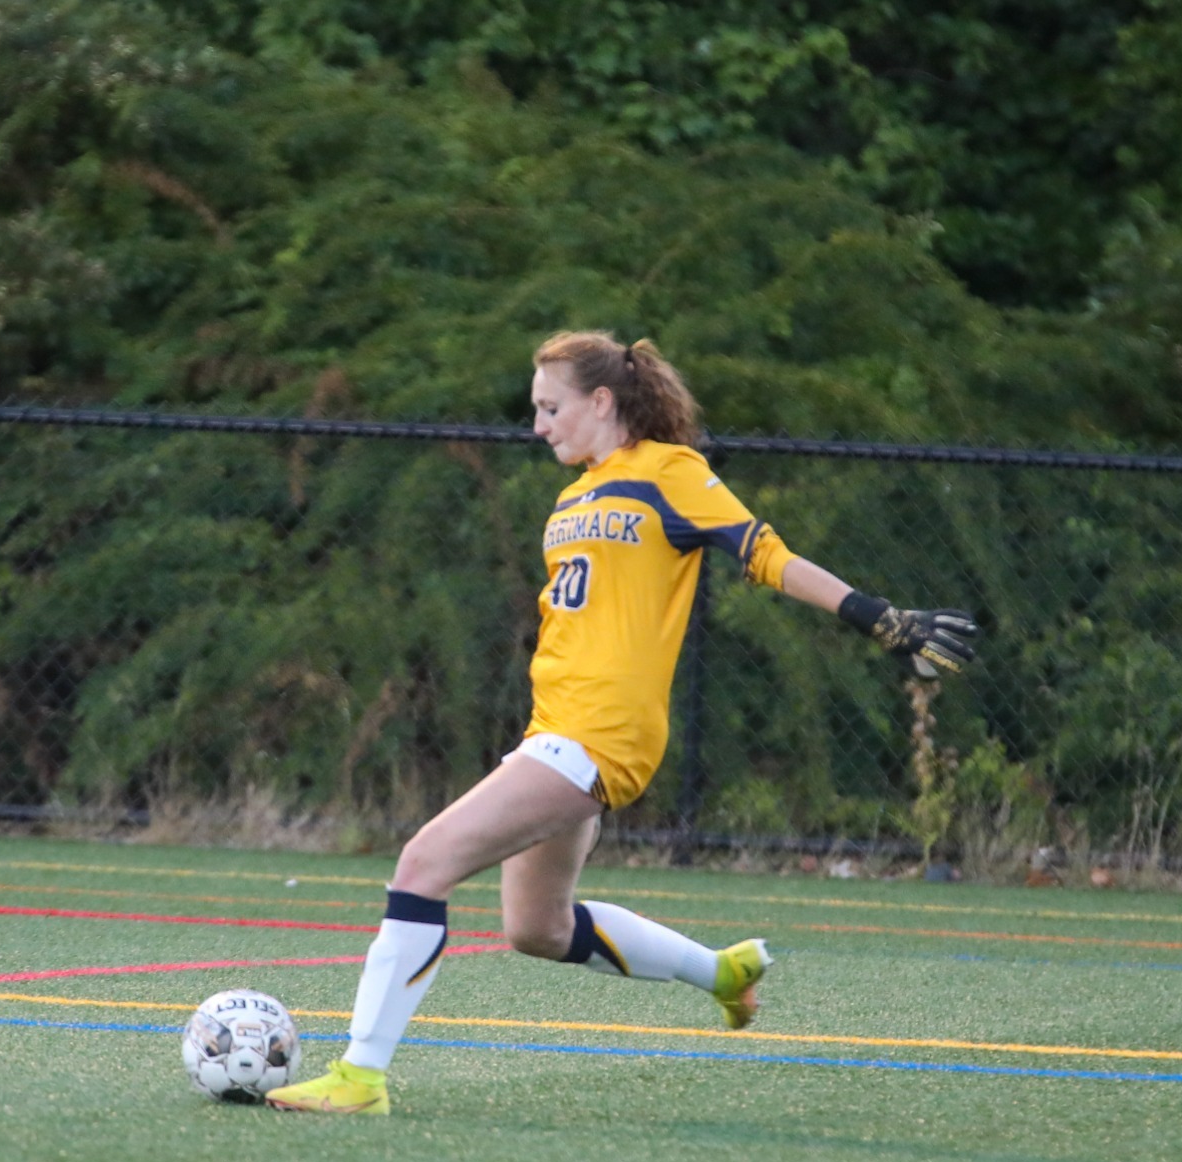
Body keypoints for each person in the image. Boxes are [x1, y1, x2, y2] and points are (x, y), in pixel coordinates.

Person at [268, 331, 978, 1114]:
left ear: (602, 401)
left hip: (600, 732)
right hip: (556, 729)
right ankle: (723, 973)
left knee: (422, 864)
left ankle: (361, 1077)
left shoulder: (669, 472)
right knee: (536, 927)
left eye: (551, 407)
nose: (538, 426)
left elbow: (764, 552)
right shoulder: (575, 496)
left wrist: (876, 616)